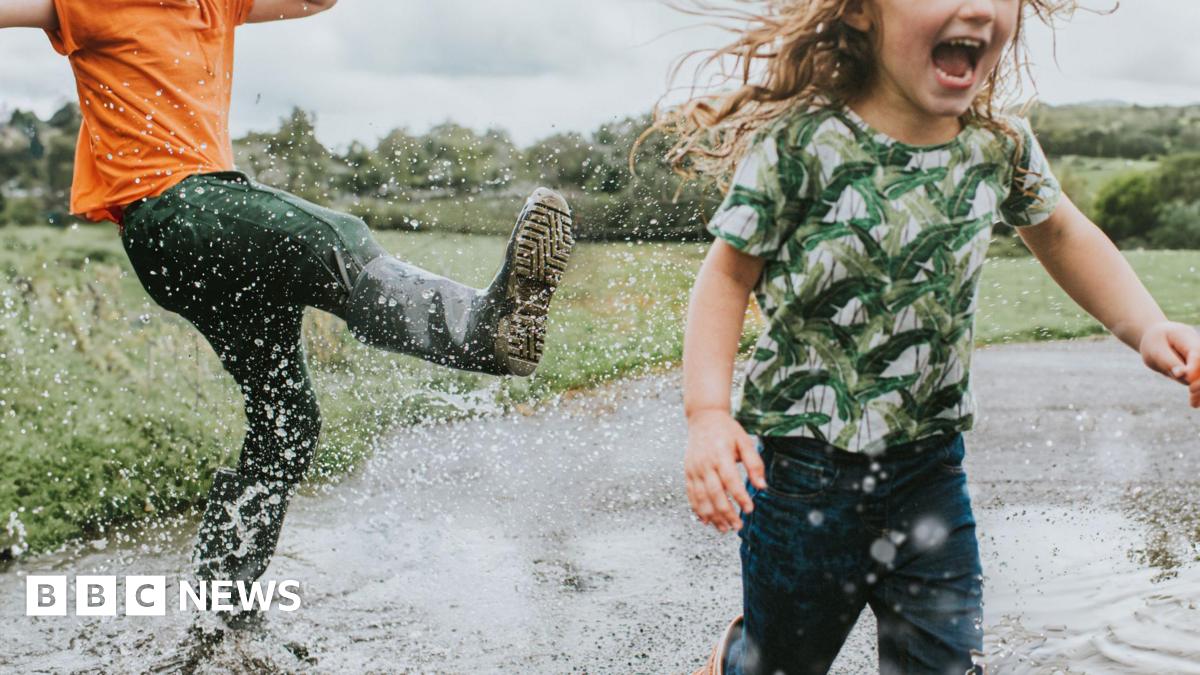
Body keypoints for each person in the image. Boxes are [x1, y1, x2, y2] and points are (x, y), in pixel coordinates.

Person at [652, 1, 1200, 673]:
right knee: (781, 662)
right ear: (858, 13)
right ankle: (737, 657)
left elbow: (1062, 233)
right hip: (803, 473)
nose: (975, 6)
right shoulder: (803, 145)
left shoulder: (997, 144)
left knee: (944, 664)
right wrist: (706, 414)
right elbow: (728, 276)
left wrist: (1148, 325)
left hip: (929, 470)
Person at [1, 0, 574, 599]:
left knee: (287, 423)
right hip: (175, 215)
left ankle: (221, 607)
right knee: (335, 239)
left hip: (204, 248)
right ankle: (479, 331)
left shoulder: (215, 4)